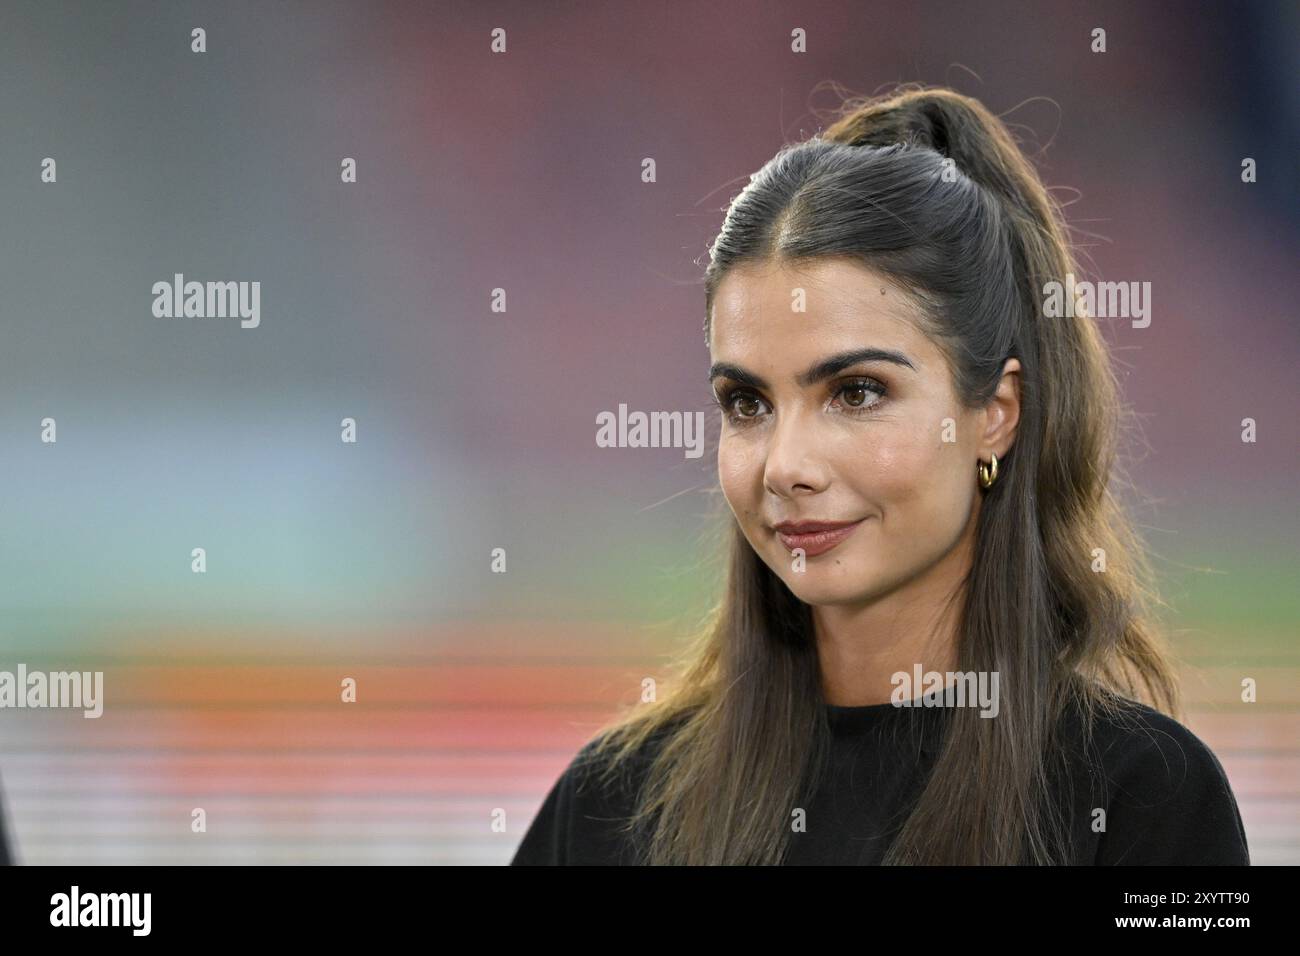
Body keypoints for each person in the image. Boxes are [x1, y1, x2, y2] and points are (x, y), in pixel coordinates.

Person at [512, 85, 1250, 865]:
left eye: (856, 393)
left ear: (996, 411)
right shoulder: (609, 808)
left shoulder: (1144, 800)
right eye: (747, 402)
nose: (787, 465)